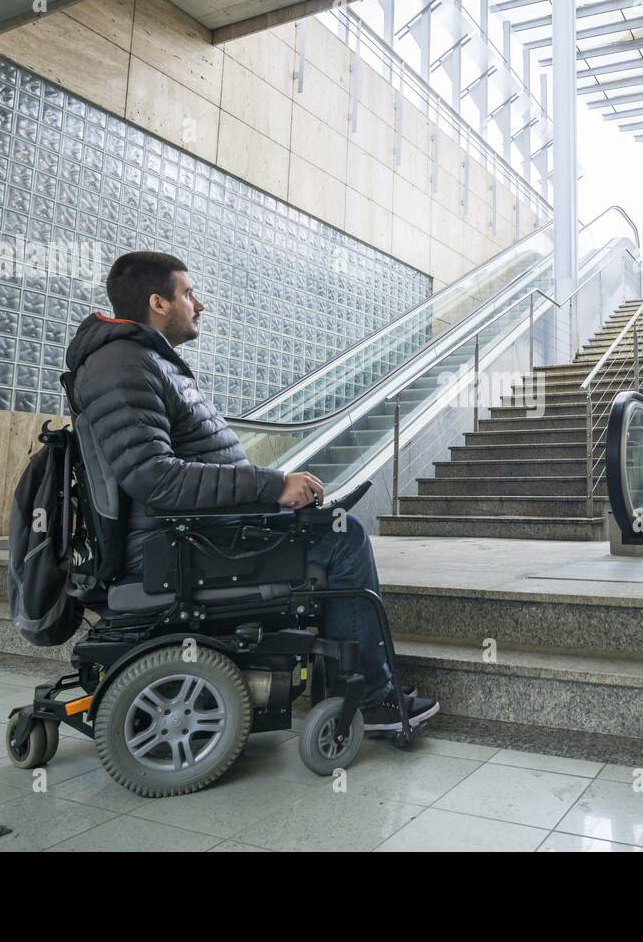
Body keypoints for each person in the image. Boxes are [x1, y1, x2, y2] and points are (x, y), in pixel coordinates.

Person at [64, 251, 438, 732]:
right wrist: (274, 487)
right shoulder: (124, 363)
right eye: (188, 294)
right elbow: (155, 477)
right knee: (345, 541)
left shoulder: (139, 360)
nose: (200, 305)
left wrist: (272, 497)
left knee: (329, 526)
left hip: (194, 534)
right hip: (173, 548)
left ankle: (346, 691)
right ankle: (370, 701)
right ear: (158, 303)